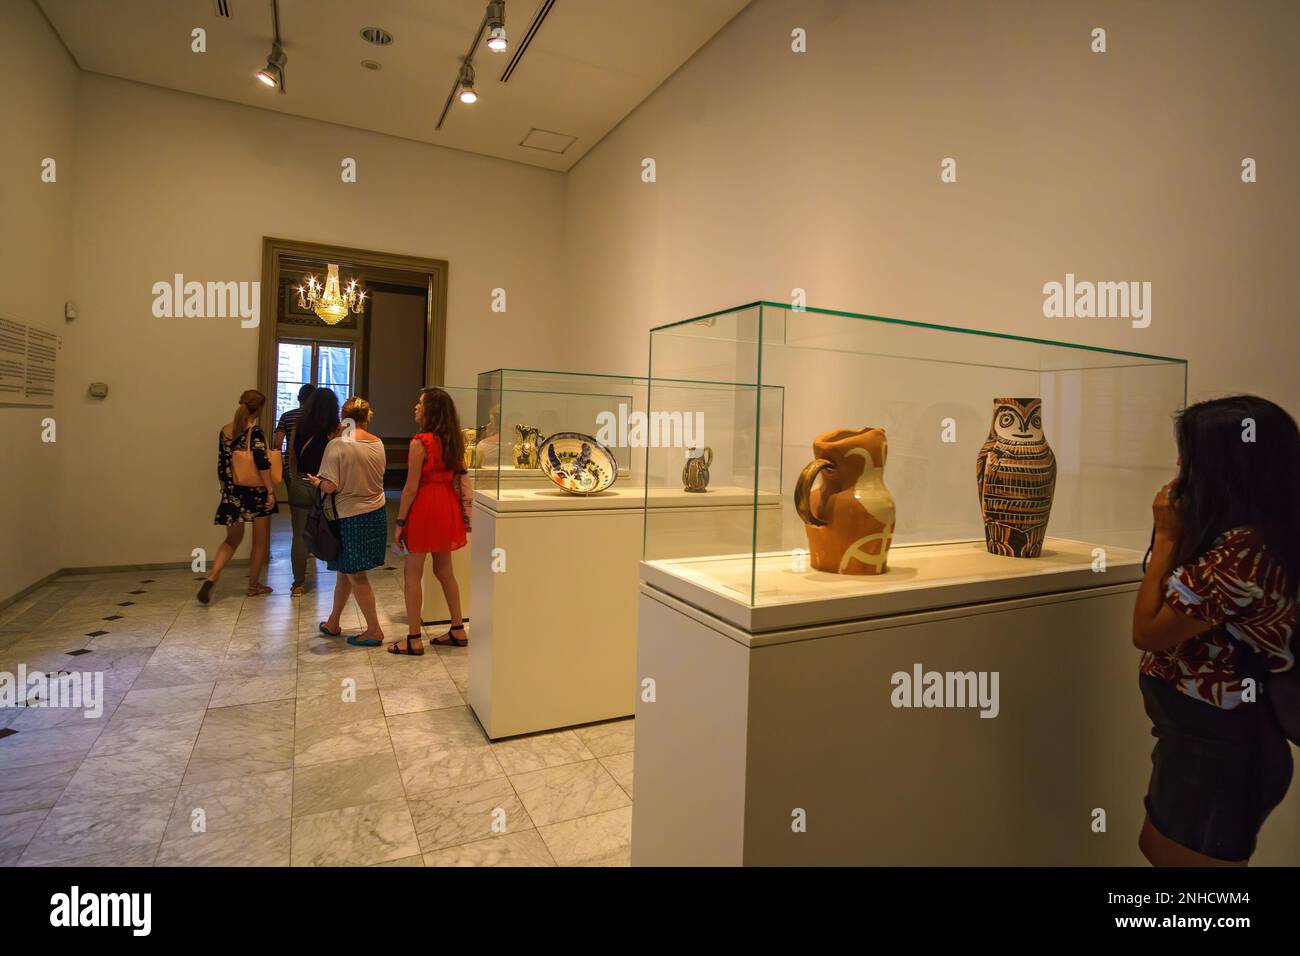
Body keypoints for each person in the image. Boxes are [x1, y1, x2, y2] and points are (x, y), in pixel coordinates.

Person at [1132, 395, 1299, 866]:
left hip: (1218, 755)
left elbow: (1147, 630)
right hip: (1211, 745)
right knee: (1161, 851)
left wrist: (1165, 538)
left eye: (1189, 458)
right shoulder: (1260, 537)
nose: (1180, 471)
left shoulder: (1242, 559)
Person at [390, 388, 472, 656]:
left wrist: (400, 521)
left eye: (420, 403)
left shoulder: (420, 442)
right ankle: (458, 628)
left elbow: (410, 488)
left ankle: (414, 638)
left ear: (430, 410)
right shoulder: (453, 440)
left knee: (412, 573)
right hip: (446, 505)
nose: (416, 407)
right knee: (445, 571)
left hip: (425, 506)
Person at [307, 397, 389, 647]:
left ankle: (374, 630)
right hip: (376, 513)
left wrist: (316, 483)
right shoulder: (378, 443)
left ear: (344, 418)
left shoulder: (337, 446)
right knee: (346, 570)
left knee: (355, 574)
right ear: (367, 416)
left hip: (349, 516)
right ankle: (333, 621)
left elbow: (331, 486)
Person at [198, 389, 279, 603]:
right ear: (259, 408)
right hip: (256, 493)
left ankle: (212, 576)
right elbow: (262, 463)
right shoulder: (256, 432)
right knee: (260, 541)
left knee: (232, 539)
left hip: (232, 493)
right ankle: (253, 586)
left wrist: (226, 489)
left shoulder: (225, 431)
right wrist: (270, 490)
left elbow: (222, 464)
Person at [285, 388, 340, 595]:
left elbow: (291, 455)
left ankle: (298, 584)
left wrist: (293, 478)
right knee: (332, 530)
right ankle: (342, 576)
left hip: (301, 481)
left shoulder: (299, 426)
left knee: (299, 536)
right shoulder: (335, 429)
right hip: (325, 484)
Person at [274, 383, 315, 454]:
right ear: (314, 400)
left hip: (290, 462)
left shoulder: (286, 416)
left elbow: (277, 444)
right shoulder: (317, 418)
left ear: (298, 398)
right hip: (313, 463)